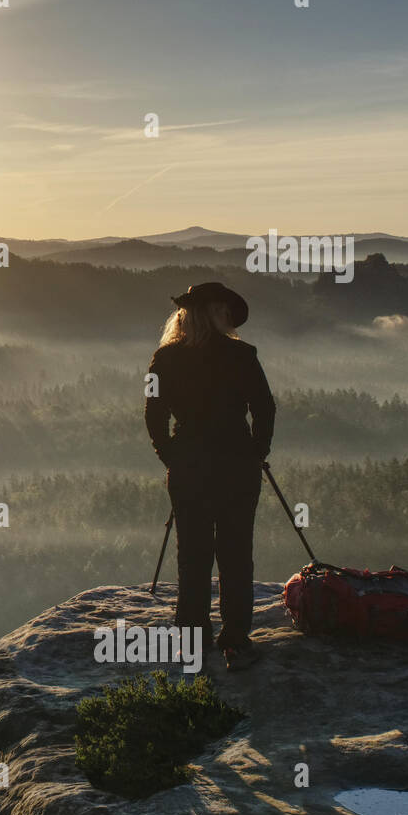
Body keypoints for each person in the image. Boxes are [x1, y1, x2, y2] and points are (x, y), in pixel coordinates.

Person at [145, 282, 275, 671]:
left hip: (190, 467)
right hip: (238, 466)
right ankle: (235, 640)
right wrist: (256, 452)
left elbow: (153, 414)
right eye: (223, 311)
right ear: (216, 313)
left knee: (193, 554)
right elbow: (265, 408)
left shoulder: (165, 358)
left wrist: (170, 455)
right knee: (236, 553)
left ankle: (192, 642)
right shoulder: (242, 355)